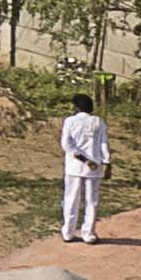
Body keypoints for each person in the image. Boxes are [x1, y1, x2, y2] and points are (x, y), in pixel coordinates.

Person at [58, 96, 113, 245]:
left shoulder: (70, 121)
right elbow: (103, 144)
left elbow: (66, 145)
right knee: (91, 201)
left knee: (71, 199)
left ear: (76, 107)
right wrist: (107, 162)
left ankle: (68, 232)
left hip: (75, 166)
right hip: (94, 166)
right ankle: (88, 234)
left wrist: (83, 159)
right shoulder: (98, 122)